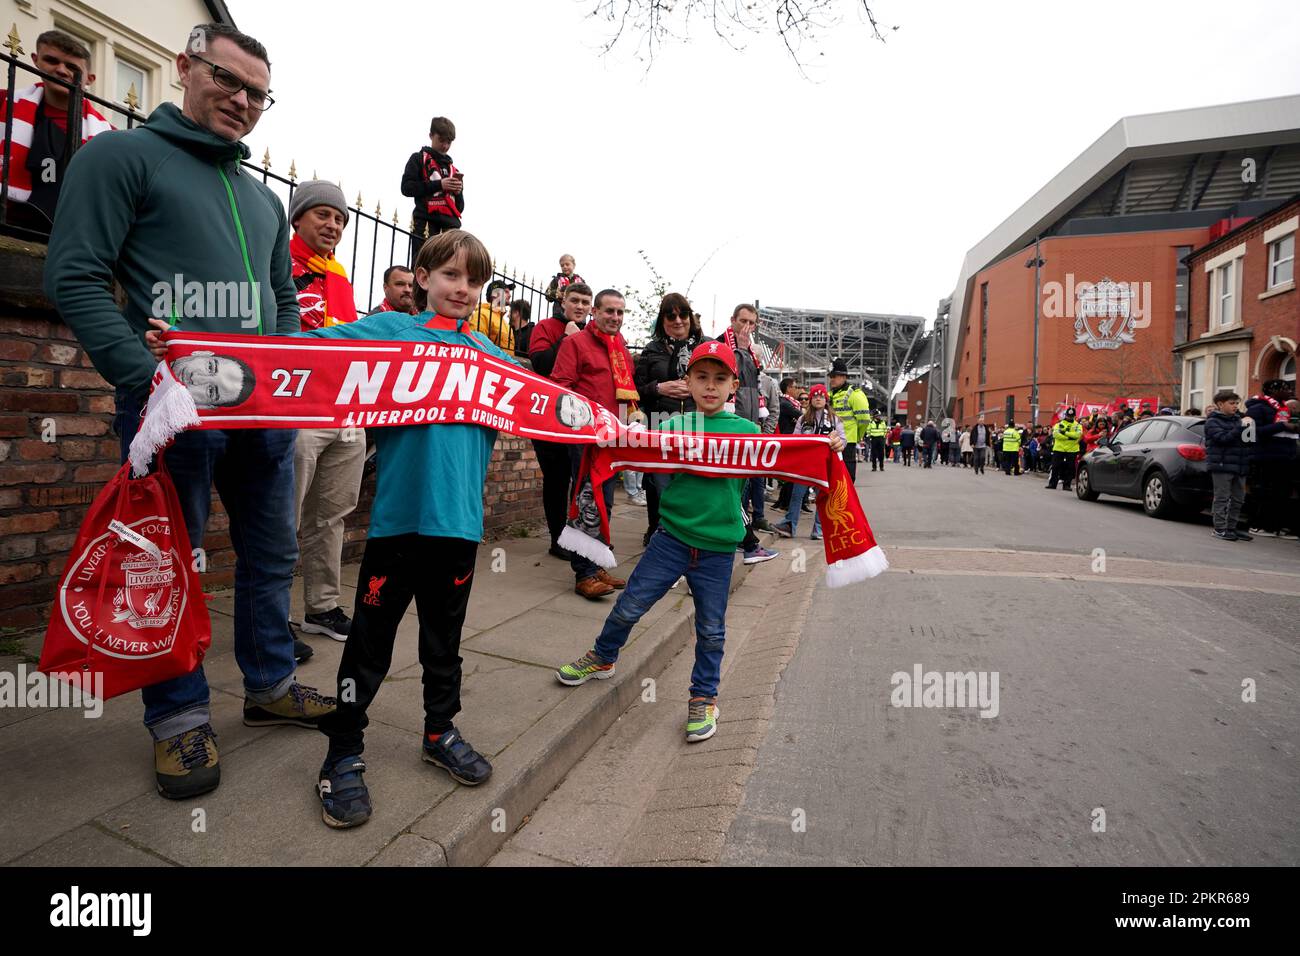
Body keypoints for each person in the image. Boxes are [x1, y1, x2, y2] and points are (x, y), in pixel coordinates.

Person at [46, 22, 334, 800]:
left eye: (257, 95)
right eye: (226, 79)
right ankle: (178, 722)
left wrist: (277, 376)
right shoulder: (119, 157)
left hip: (260, 417)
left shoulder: (264, 199)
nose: (240, 101)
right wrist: (149, 378)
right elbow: (74, 276)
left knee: (272, 555)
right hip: (168, 413)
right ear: (185, 66)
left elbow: (281, 297)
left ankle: (271, 683)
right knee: (161, 566)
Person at [287, 230, 514, 829]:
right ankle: (343, 746)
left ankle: (439, 731)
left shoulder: (493, 359)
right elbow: (304, 351)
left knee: (444, 642)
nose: (462, 289)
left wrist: (617, 428)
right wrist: (196, 345)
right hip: (396, 527)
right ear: (422, 277)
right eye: (450, 276)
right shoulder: (389, 333)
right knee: (368, 644)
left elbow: (556, 407)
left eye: (474, 280)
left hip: (459, 529)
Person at [555, 342, 780, 743]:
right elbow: (633, 446)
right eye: (701, 378)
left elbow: (791, 458)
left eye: (720, 379)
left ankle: (703, 697)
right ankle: (602, 658)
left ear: (734, 386)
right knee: (628, 607)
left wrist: (826, 449)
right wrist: (616, 432)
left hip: (717, 549)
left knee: (711, 629)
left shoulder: (749, 432)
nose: (710, 387)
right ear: (688, 383)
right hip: (670, 538)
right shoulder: (675, 426)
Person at [286, 180, 365, 646]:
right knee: (283, 515)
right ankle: (273, 616)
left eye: (339, 218)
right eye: (322, 214)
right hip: (297, 408)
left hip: (345, 411)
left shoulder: (338, 275)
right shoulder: (278, 265)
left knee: (331, 515)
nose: (332, 224)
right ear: (298, 218)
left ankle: (322, 606)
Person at [552, 289, 636, 597]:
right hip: (586, 437)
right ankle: (583, 574)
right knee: (588, 499)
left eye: (620, 312)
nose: (615, 317)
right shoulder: (574, 344)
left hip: (613, 438)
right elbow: (561, 388)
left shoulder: (621, 349)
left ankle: (596, 561)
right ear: (595, 313)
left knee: (606, 501)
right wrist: (590, 417)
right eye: (609, 311)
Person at [1, 30, 112, 234]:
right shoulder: (3, 104)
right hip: (8, 222)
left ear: (90, 79)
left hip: (68, 233)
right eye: (51, 60)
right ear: (35, 60)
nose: (61, 70)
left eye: (72, 67)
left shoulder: (109, 135)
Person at [529, 282, 591, 558]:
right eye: (575, 300)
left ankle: (580, 536)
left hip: (582, 419)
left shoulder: (594, 333)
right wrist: (567, 338)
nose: (580, 306)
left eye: (585, 302)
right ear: (563, 301)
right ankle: (557, 539)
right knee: (557, 480)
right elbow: (541, 364)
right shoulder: (545, 327)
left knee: (582, 481)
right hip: (549, 416)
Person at [633, 292, 702, 545]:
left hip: (697, 425)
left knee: (693, 482)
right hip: (660, 423)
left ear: (690, 317)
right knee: (657, 484)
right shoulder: (651, 350)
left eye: (683, 314)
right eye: (670, 315)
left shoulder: (704, 346)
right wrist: (659, 388)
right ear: (662, 320)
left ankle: (691, 536)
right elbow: (635, 390)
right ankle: (658, 532)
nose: (678, 320)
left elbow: (722, 386)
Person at [720, 304, 779, 562]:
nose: (747, 327)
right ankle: (746, 542)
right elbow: (736, 380)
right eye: (742, 321)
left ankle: (745, 541)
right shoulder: (727, 348)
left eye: (752, 323)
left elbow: (755, 393)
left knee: (743, 489)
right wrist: (741, 350)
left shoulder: (750, 353)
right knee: (736, 490)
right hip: (733, 428)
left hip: (749, 428)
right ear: (732, 320)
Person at [773, 384, 845, 540]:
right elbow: (794, 440)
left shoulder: (835, 420)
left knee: (823, 498)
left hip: (825, 466)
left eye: (821, 396)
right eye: (815, 396)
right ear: (811, 400)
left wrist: (837, 442)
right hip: (805, 466)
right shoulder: (802, 419)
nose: (818, 398)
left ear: (826, 399)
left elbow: (843, 441)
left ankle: (819, 530)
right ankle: (790, 525)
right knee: (796, 495)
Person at [400, 116, 463, 261]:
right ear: (431, 135)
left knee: (448, 272)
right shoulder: (417, 159)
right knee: (423, 267)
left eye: (449, 142)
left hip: (450, 229)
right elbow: (406, 188)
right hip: (425, 224)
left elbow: (460, 208)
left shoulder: (454, 170)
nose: (445, 146)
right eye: (441, 140)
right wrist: (440, 184)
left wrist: (457, 193)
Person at [1245, 378, 1300, 537]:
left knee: (1282, 494)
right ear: (1273, 391)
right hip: (1265, 457)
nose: (1290, 391)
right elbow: (1249, 434)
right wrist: (1281, 425)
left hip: (1287, 457)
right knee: (1264, 492)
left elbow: (1292, 431)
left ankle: (1277, 526)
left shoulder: (1287, 409)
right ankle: (1258, 525)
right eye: (1286, 388)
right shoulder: (1257, 408)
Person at [1205, 390, 1254, 541]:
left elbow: (1249, 442)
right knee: (1222, 498)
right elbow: (1223, 439)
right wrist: (1240, 427)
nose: (1235, 406)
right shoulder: (1212, 421)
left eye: (1236, 403)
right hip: (1222, 466)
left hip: (1240, 466)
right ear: (1220, 404)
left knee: (1239, 499)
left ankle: (1231, 528)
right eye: (1231, 403)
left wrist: (1250, 428)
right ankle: (1219, 528)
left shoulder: (1238, 419)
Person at [828, 358, 870, 482]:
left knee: (847, 477)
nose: (832, 379)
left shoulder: (855, 394)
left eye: (834, 376)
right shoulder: (829, 395)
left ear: (844, 377)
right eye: (830, 376)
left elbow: (864, 420)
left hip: (847, 441)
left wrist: (857, 436)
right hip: (830, 440)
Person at [469, 278, 516, 352]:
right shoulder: (482, 314)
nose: (510, 295)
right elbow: (476, 346)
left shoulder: (505, 323)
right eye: (506, 292)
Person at [1046, 407, 1082, 490]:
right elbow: (1055, 435)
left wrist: (1064, 433)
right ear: (1065, 415)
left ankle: (1067, 485)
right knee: (1055, 467)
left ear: (1074, 416)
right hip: (1059, 448)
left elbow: (1077, 435)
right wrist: (1069, 437)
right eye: (1068, 416)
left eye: (1071, 416)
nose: (1069, 417)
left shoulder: (1078, 425)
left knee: (1069, 468)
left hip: (1072, 449)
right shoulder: (1058, 424)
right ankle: (1052, 484)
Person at [544, 254, 586, 319]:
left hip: (577, 315)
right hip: (560, 314)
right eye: (562, 265)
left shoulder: (581, 281)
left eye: (567, 264)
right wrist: (557, 294)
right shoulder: (556, 280)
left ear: (574, 265)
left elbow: (586, 296)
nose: (564, 267)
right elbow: (547, 294)